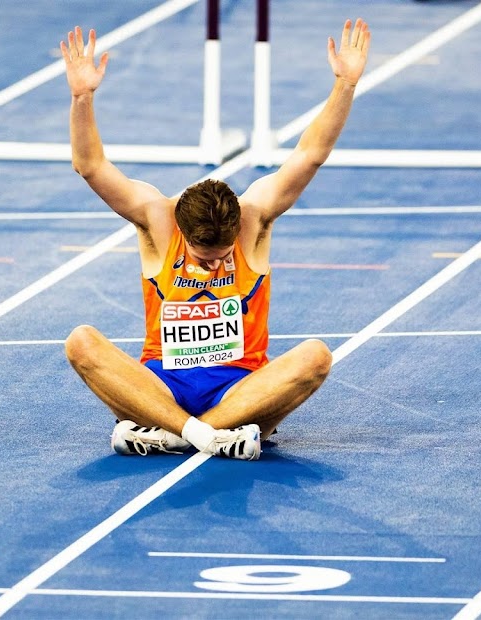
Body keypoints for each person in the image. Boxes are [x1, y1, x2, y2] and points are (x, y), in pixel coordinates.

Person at [60, 19, 371, 461]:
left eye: (221, 257)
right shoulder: (156, 221)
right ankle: (205, 435)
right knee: (81, 342)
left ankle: (174, 434)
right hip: (160, 387)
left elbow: (310, 154)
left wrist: (344, 83)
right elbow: (90, 166)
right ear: (180, 230)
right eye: (202, 257)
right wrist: (82, 97)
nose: (212, 265)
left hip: (241, 392)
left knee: (316, 357)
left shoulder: (255, 218)